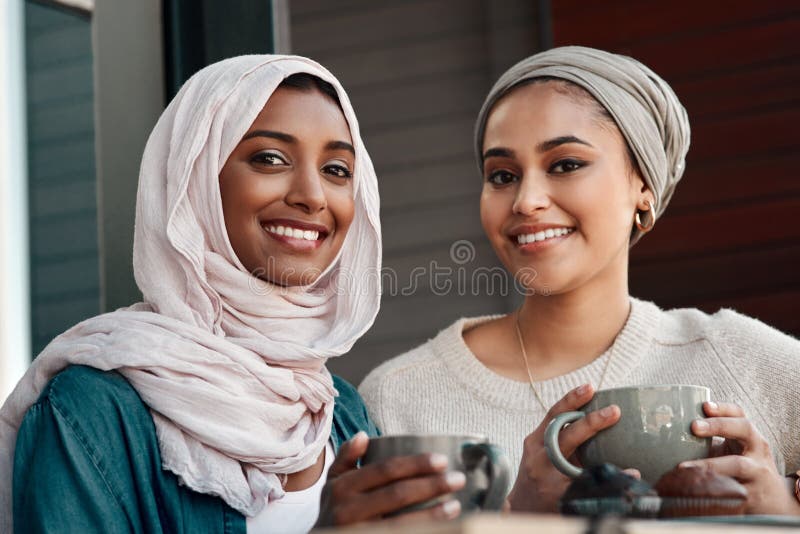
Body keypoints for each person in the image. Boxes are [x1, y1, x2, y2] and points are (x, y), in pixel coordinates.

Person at [0, 55, 465, 534]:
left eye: (337, 169)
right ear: (195, 180)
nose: (313, 195)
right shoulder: (91, 410)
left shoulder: (339, 410)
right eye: (270, 158)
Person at [359, 46, 800, 516]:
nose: (526, 200)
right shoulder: (399, 398)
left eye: (565, 164)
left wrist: (786, 511)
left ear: (643, 189)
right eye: (502, 175)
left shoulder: (741, 358)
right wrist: (514, 516)